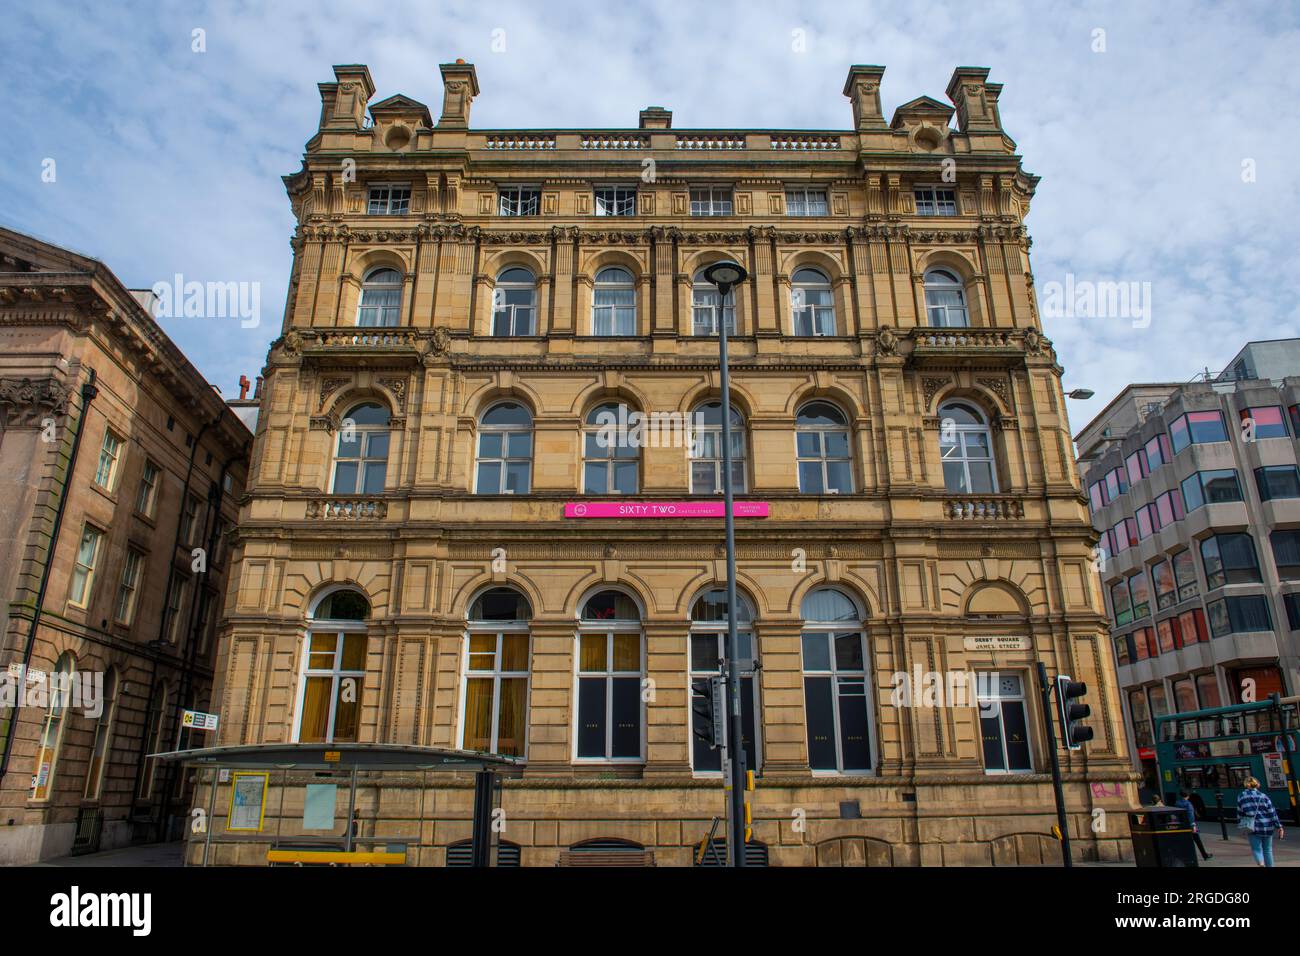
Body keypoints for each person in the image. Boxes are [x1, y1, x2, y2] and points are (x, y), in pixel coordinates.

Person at [1236, 776, 1284, 867]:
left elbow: (1240, 813)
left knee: (1256, 849)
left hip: (1252, 827)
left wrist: (1242, 826)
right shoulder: (1264, 796)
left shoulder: (1241, 796)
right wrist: (1279, 826)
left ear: (1246, 785)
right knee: (1268, 850)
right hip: (1267, 826)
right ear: (1256, 785)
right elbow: (1272, 813)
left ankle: (1260, 863)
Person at [1173, 789, 1212, 860]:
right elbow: (1191, 816)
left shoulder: (1177, 803)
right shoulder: (1188, 804)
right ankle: (1205, 855)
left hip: (1181, 824)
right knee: (1197, 839)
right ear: (1188, 796)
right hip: (1190, 825)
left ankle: (1183, 856)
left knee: (1183, 841)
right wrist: (1193, 825)